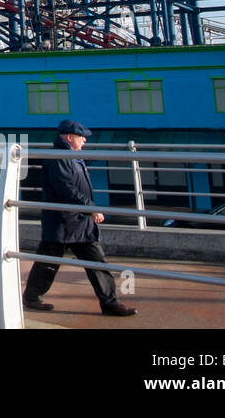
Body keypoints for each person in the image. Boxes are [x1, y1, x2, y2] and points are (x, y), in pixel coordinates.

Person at [22, 119, 137, 317]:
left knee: (97, 263)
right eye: (81, 137)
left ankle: (110, 304)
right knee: (47, 264)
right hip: (62, 222)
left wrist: (88, 210)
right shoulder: (59, 157)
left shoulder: (72, 156)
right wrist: (92, 209)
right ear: (69, 137)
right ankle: (31, 298)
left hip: (78, 222)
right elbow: (66, 189)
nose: (84, 140)